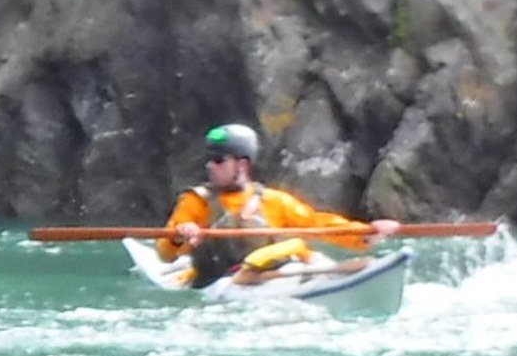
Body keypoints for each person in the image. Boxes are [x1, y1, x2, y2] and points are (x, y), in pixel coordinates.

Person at [156, 123, 400, 288]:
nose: (211, 166)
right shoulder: (196, 202)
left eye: (219, 160)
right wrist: (178, 237)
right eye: (210, 160)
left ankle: (334, 274)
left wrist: (366, 234)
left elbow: (319, 224)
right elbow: (164, 254)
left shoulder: (273, 200)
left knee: (307, 253)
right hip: (224, 279)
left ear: (242, 165)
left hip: (276, 272)